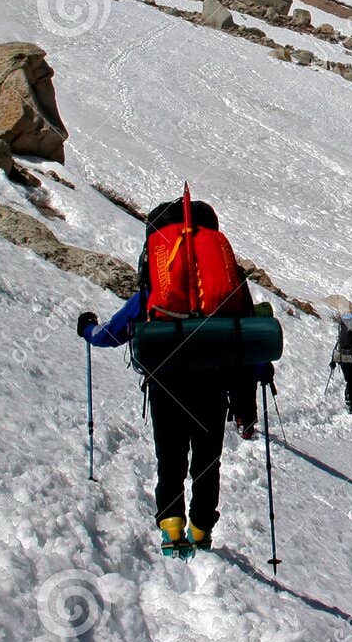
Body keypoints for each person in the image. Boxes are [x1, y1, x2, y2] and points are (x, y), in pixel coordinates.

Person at [77, 189, 267, 557]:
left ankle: (171, 528)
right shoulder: (227, 286)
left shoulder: (157, 284)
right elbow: (248, 342)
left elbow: (111, 334)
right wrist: (256, 383)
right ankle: (201, 531)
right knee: (208, 460)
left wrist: (88, 329)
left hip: (166, 383)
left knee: (171, 458)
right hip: (214, 385)